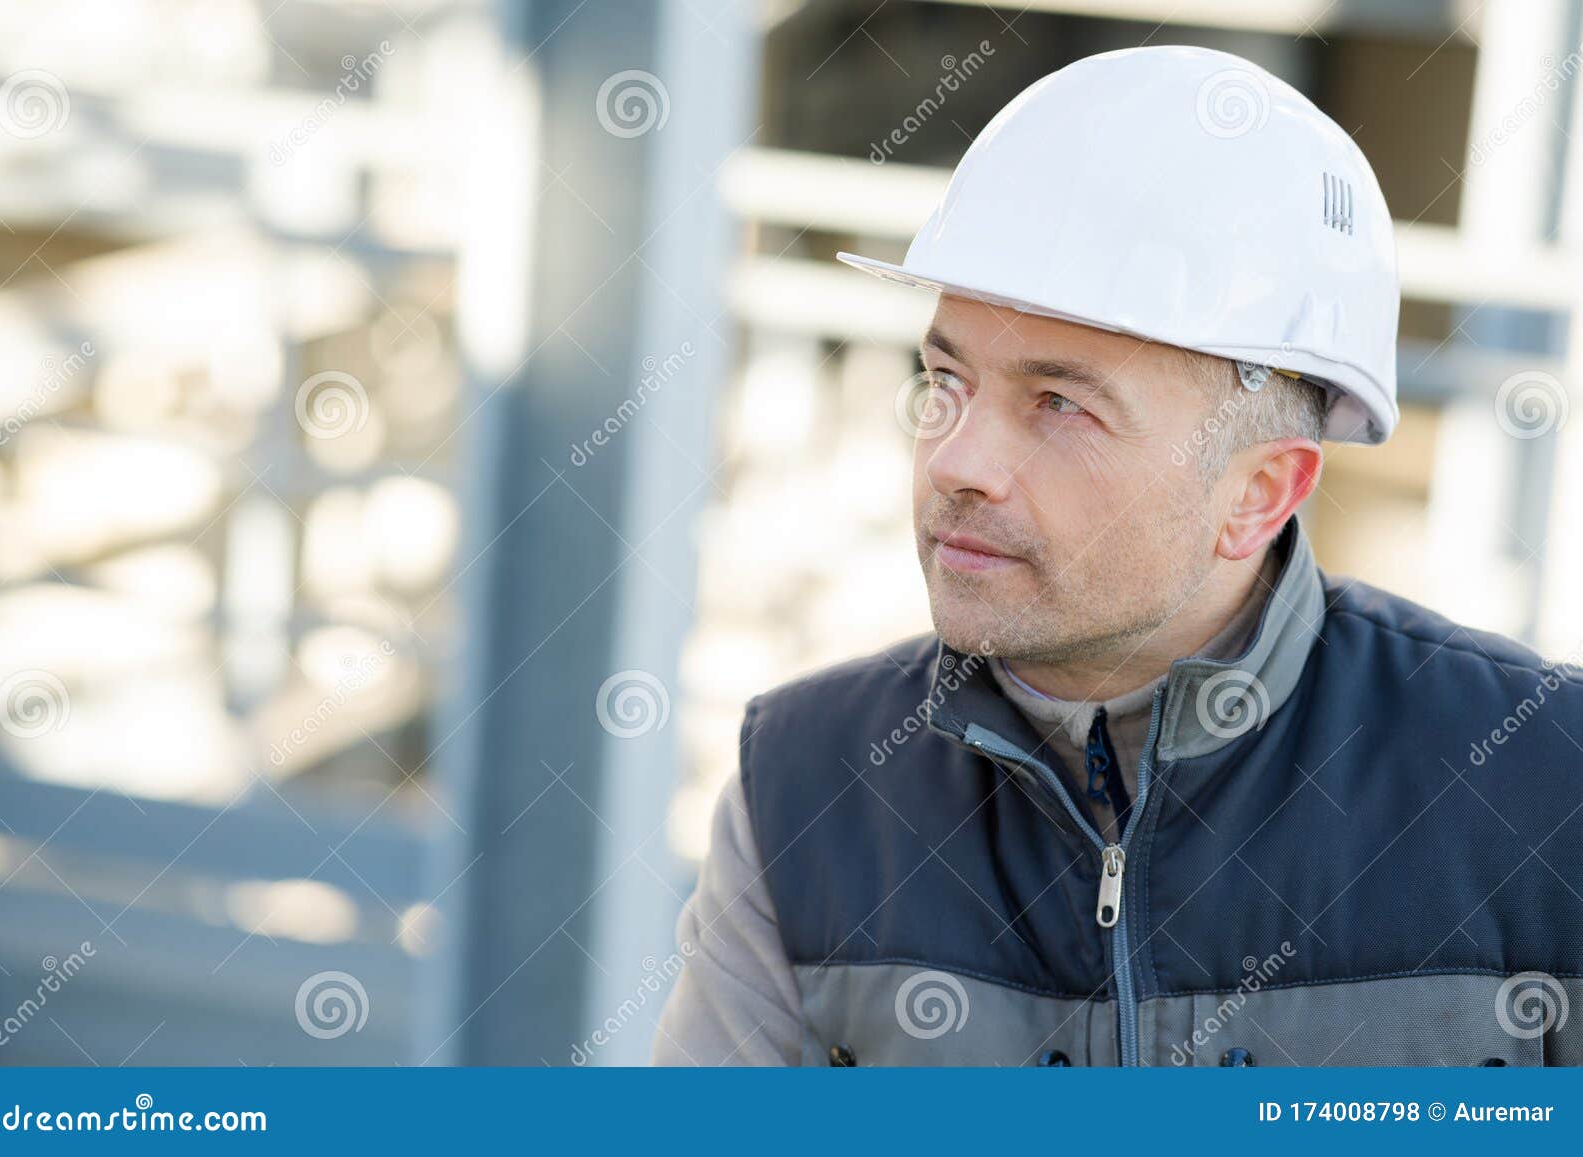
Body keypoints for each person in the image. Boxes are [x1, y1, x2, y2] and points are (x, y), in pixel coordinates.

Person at [652, 44, 1583, 1067]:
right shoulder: (805, 786)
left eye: (1059, 403)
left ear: (1258, 493)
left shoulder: (1543, 786)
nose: (956, 460)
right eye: (947, 379)